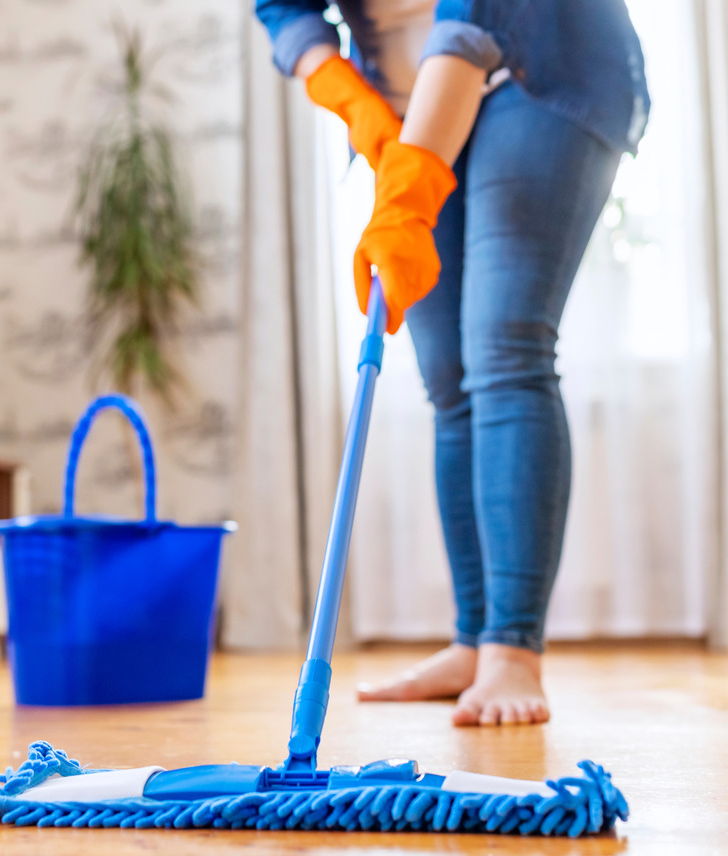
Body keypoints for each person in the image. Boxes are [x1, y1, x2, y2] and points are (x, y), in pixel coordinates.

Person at [254, 0, 649, 726]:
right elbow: (283, 8)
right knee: (447, 376)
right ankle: (473, 639)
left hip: (539, 74)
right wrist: (345, 91)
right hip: (404, 98)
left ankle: (511, 648)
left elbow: (474, 22)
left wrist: (408, 197)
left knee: (505, 345)